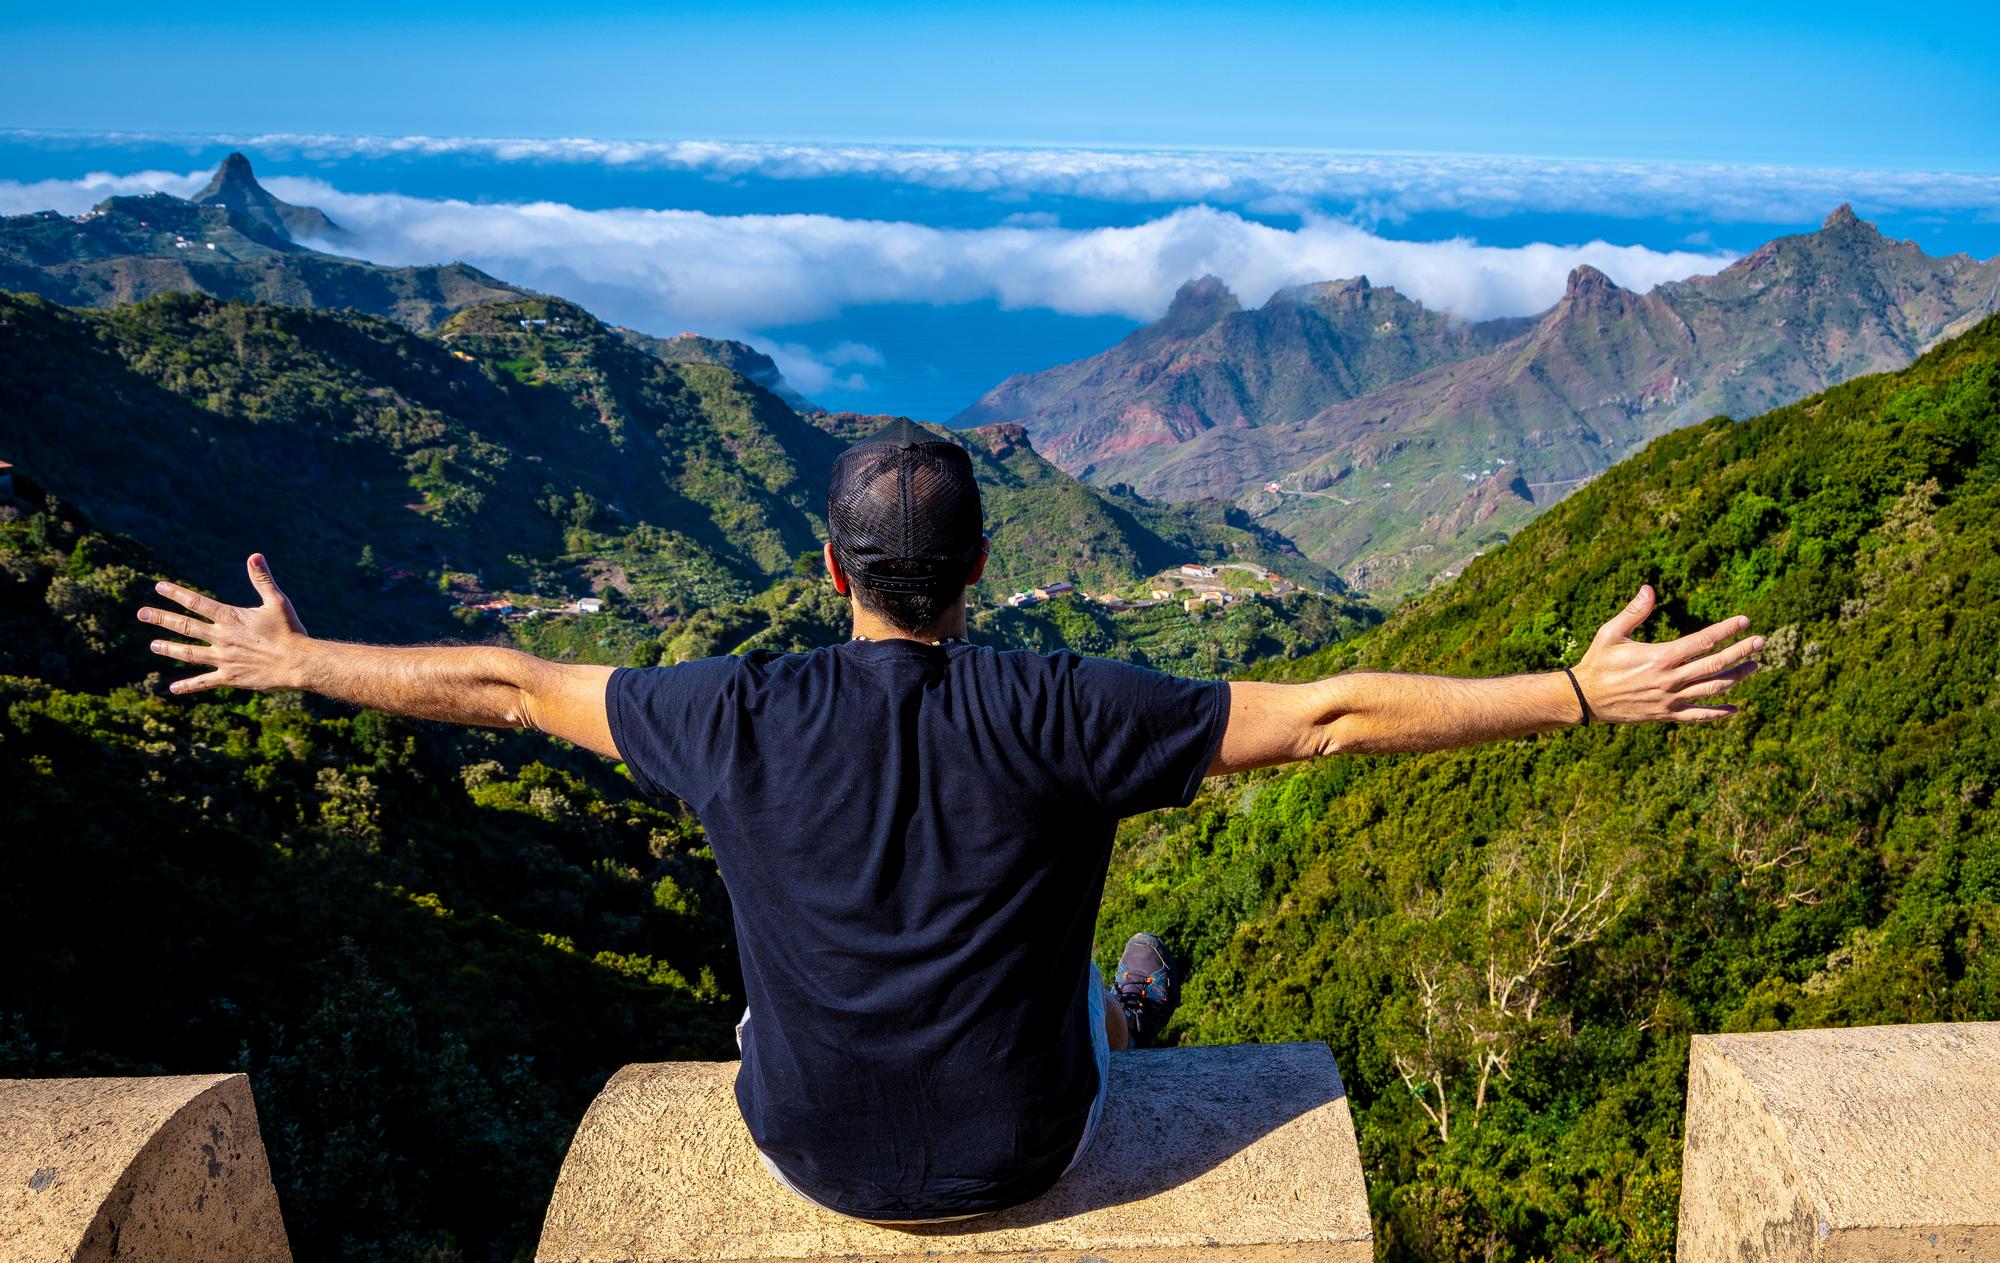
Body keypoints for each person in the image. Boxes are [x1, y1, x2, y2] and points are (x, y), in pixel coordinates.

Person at [136, 418, 1760, 1224]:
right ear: (978, 573)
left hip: (808, 1153)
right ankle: (1126, 1008)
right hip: (1032, 1145)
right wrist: (1573, 688)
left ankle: (1049, 1004)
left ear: (830, 572)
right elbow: (1331, 714)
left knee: (776, 980)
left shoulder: (729, 712)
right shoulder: (1063, 708)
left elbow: (497, 687)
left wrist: (294, 660)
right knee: (1093, 981)